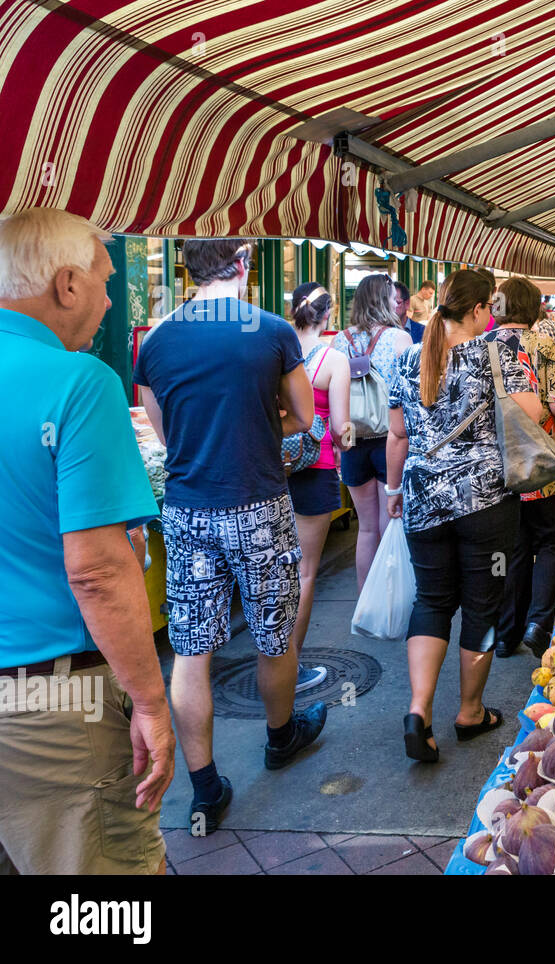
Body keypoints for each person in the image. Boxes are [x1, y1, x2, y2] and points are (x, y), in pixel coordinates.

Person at [0, 208, 174, 874]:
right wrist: (153, 703)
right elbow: (98, 571)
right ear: (66, 285)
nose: (110, 301)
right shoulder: (80, 383)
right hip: (49, 705)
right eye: (105, 281)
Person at [134, 238, 326, 831]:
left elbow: (163, 435)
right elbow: (304, 416)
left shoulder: (158, 340)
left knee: (192, 651)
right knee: (274, 635)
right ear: (242, 264)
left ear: (190, 269)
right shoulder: (271, 330)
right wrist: (259, 416)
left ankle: (205, 787)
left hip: (190, 508)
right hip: (260, 501)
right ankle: (279, 737)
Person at [385, 270, 543, 762]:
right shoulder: (498, 354)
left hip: (422, 497)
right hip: (486, 503)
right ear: (477, 310)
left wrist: (394, 491)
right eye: (489, 308)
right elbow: (533, 413)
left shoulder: (407, 358)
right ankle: (470, 711)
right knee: (482, 605)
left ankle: (418, 712)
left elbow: (397, 434)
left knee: (431, 601)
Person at [484, 279, 555, 658]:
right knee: (552, 540)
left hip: (500, 473)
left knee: (514, 550)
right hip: (544, 469)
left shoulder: (481, 348)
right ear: (533, 308)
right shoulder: (542, 344)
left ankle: (505, 634)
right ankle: (538, 623)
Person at [286, 283, 353, 693]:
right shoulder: (334, 360)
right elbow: (342, 430)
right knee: (304, 571)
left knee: (273, 570)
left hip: (271, 470)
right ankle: (291, 666)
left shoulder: (274, 351)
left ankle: (269, 659)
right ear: (327, 316)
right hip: (315, 469)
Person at [339, 274, 413, 592]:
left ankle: (364, 597)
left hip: (352, 442)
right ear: (386, 301)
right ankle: (388, 596)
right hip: (389, 440)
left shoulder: (340, 340)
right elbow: (411, 397)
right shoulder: (400, 339)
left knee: (366, 528)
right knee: (390, 519)